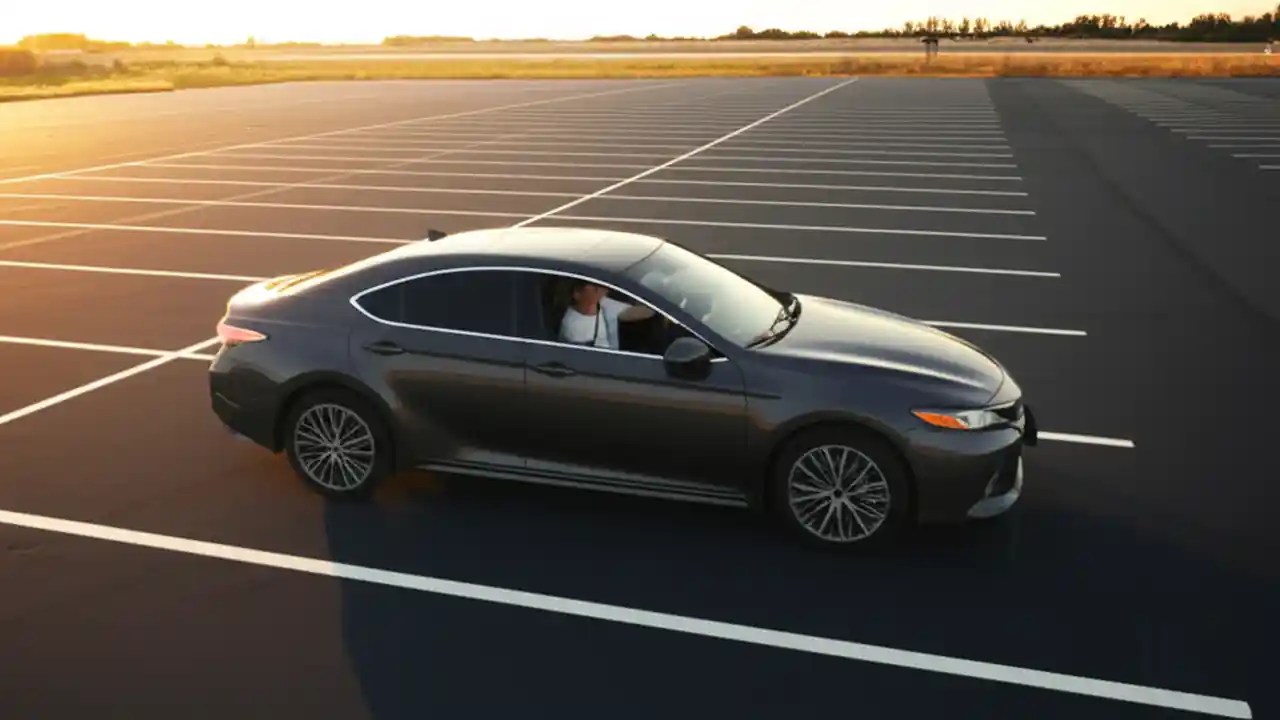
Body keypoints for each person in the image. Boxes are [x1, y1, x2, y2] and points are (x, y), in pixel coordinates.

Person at [559, 279, 655, 350]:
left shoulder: (603, 303)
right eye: (594, 285)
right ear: (577, 293)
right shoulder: (573, 327)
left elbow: (637, 312)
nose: (600, 287)